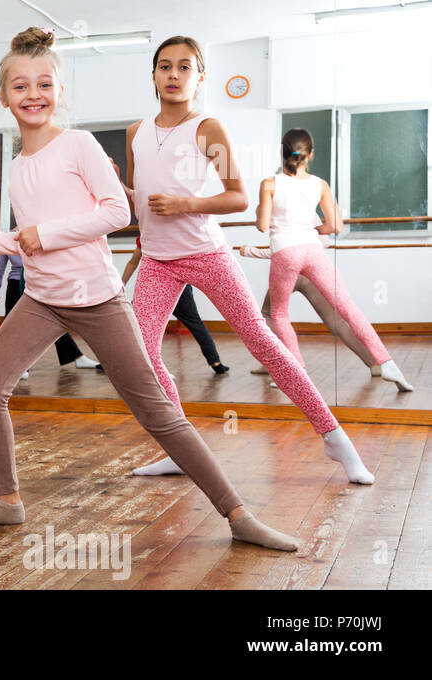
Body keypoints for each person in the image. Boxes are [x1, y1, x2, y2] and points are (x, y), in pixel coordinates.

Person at [0, 27, 298, 551]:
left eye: (44, 83)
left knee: (157, 412)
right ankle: (7, 501)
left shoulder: (79, 144)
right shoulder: (19, 164)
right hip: (41, 300)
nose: (33, 94)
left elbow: (115, 211)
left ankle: (238, 514)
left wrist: (44, 235)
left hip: (98, 301)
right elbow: (26, 242)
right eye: (20, 87)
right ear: (4, 99)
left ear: (59, 91)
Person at [125, 36, 372, 484]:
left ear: (200, 77)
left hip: (206, 253)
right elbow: (137, 199)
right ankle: (180, 449)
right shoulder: (135, 132)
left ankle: (335, 437)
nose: (174, 75)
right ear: (154, 75)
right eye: (165, 66)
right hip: (158, 260)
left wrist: (185, 205)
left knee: (262, 340)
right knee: (142, 355)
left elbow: (238, 197)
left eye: (185, 67)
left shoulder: (207, 128)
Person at [253, 128, 412, 392]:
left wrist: (266, 211)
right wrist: (311, 230)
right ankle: (386, 363)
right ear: (310, 154)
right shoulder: (320, 184)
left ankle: (297, 373)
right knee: (348, 307)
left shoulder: (269, 183)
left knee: (278, 314)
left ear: (282, 153)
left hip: (286, 252)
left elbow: (261, 225)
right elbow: (335, 225)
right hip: (314, 251)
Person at [237, 242, 383, 377]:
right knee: (336, 321)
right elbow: (320, 243)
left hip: (290, 271)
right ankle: (374, 364)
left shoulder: (284, 219)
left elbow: (282, 251)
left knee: (269, 315)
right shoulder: (313, 220)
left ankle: (272, 363)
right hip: (309, 272)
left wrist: (251, 251)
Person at [121, 238, 229, 374]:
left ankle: (215, 361)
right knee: (133, 323)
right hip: (154, 287)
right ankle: (215, 362)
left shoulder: (172, 234)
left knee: (194, 323)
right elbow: (133, 262)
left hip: (175, 288)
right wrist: (121, 284)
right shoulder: (146, 235)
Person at [0, 251, 103, 373]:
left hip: (29, 282)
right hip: (33, 282)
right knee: (45, 321)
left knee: (48, 321)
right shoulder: (33, 234)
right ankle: (76, 357)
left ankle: (76, 356)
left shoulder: (27, 235)